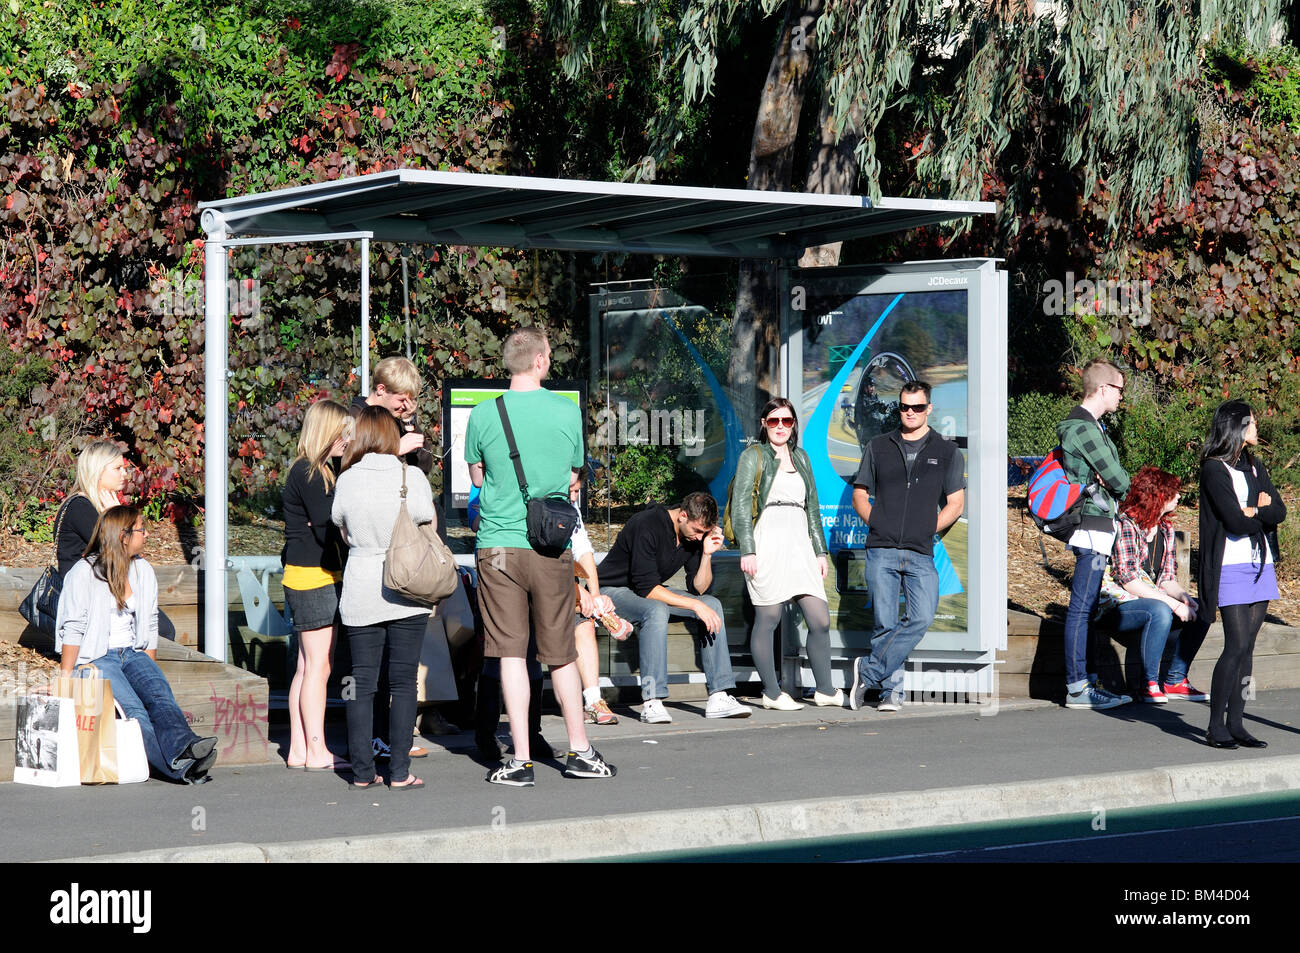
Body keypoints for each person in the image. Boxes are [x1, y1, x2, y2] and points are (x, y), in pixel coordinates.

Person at [464, 326, 615, 785]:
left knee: (510, 654)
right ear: (540, 361)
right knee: (562, 652)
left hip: (498, 548)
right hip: (551, 547)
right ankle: (581, 751)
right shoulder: (565, 412)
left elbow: (475, 475)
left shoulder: (483, 414)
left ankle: (520, 761)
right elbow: (572, 475)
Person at [54, 505, 217, 784]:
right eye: (142, 528)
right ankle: (178, 767)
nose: (147, 533)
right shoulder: (85, 573)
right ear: (123, 536)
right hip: (97, 657)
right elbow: (73, 627)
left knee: (160, 697)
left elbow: (150, 623)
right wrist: (67, 676)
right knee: (135, 712)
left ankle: (186, 747)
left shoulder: (142, 570)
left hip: (132, 653)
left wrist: (148, 668)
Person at [331, 406, 433, 789]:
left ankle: (360, 772)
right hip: (407, 585)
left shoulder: (347, 480)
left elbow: (343, 531)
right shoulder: (412, 475)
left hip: (361, 586)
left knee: (360, 681)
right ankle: (400, 772)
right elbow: (427, 523)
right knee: (404, 681)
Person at [848, 380, 965, 712]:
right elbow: (859, 493)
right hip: (881, 548)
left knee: (921, 617)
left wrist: (927, 529)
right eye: (904, 406)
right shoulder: (878, 446)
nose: (909, 412)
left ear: (929, 408)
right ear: (898, 407)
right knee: (885, 623)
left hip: (920, 551)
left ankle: (867, 673)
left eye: (917, 407)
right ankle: (891, 692)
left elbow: (955, 503)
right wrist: (878, 521)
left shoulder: (946, 451)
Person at [347, 356, 437, 759]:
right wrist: (394, 450)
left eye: (412, 401)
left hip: (401, 559)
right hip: (366, 561)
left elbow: (422, 483)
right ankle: (373, 746)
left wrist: (414, 448)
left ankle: (391, 741)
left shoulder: (403, 422)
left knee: (396, 671)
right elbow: (346, 477)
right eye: (401, 401)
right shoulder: (354, 420)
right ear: (379, 391)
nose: (407, 409)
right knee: (366, 670)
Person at [599, 491, 751, 724]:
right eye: (697, 531)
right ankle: (652, 700)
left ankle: (719, 696)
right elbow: (648, 589)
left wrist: (707, 556)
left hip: (645, 591)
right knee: (656, 609)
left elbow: (699, 589)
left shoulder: (694, 538)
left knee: (711, 604)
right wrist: (694, 605)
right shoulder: (646, 524)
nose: (699, 537)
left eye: (704, 533)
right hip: (612, 591)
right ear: (682, 515)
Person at [730, 398, 840, 709]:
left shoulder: (801, 457)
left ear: (793, 426)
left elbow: (814, 508)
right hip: (766, 540)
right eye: (774, 420)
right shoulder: (753, 456)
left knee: (819, 619)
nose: (781, 427)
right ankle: (772, 692)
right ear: (764, 423)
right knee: (769, 616)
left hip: (800, 542)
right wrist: (747, 549)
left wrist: (820, 551)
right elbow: (740, 507)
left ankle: (825, 690)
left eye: (787, 421)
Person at [1198, 400, 1286, 749]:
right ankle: (1214, 725)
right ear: (1234, 426)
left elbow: (1277, 512)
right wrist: (1255, 511)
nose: (1255, 428)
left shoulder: (1253, 465)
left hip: (1259, 565)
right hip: (1230, 566)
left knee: (1249, 646)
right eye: (1250, 422)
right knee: (1234, 644)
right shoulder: (1213, 469)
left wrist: (1257, 510)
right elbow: (1233, 521)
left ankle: (1237, 722)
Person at [1056, 359, 1133, 710]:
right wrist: (1113, 479)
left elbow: (1113, 476)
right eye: (1119, 389)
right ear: (1103, 389)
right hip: (1091, 528)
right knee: (1081, 609)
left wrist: (1111, 478)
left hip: (1098, 527)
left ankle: (1087, 682)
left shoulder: (1093, 428)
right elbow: (1120, 479)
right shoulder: (1083, 429)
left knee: (1086, 609)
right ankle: (1077, 688)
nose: (1121, 396)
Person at [1096, 467, 1209, 704]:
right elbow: (1128, 580)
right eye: (1172, 492)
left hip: (1148, 602)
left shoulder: (1165, 530)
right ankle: (1149, 683)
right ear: (1156, 495)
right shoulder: (1127, 524)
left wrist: (1183, 598)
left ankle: (1176, 680)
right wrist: (1172, 604)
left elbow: (1167, 578)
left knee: (1202, 610)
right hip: (1115, 606)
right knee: (1160, 610)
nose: (1178, 496)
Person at [281, 400, 352, 771]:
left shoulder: (313, 470)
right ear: (326, 431)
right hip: (314, 579)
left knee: (307, 668)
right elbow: (330, 526)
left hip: (309, 576)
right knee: (319, 668)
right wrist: (338, 525)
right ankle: (317, 749)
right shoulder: (311, 472)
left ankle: (299, 750)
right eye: (342, 431)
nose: (347, 438)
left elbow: (324, 526)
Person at [58, 440, 176, 641]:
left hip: (107, 585)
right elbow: (122, 547)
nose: (124, 474)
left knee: (160, 628)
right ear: (98, 471)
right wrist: (113, 516)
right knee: (160, 631)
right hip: (86, 595)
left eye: (124, 468)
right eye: (117, 468)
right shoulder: (80, 507)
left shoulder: (96, 505)